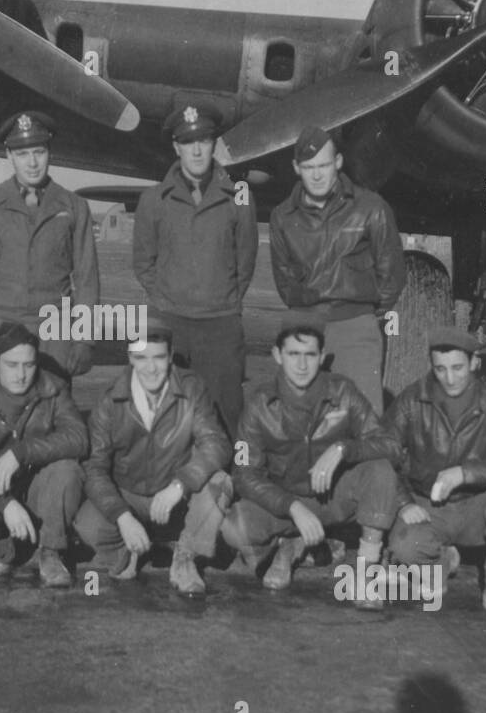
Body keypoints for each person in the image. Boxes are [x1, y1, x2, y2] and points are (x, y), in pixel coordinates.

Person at [222, 311, 402, 607]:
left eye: (310, 354)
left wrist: (344, 448)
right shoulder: (259, 403)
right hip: (285, 504)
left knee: (379, 468)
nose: (302, 364)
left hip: (335, 501)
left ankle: (366, 573)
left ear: (321, 357)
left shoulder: (343, 391)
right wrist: (290, 506)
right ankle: (289, 545)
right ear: (277, 355)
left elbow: (390, 445)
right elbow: (244, 473)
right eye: (293, 354)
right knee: (233, 526)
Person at [381, 328, 486, 618]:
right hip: (428, 506)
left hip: (478, 507)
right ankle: (441, 560)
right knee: (403, 549)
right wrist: (404, 503)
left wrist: (464, 473)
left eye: (458, 368)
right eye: (440, 369)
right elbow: (382, 456)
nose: (450, 378)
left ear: (475, 362)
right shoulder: (412, 401)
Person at [75, 322, 232, 596]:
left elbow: (216, 444)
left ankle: (185, 556)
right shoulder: (111, 401)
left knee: (221, 484)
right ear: (130, 359)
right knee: (88, 525)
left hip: (175, 497)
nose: (151, 368)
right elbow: (94, 468)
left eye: (158, 358)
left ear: (170, 357)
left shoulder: (192, 389)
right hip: (130, 495)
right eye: (142, 358)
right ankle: (130, 548)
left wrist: (180, 485)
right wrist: (122, 517)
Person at [132, 101, 257, 433]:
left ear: (214, 143)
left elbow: (245, 260)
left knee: (226, 411)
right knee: (164, 411)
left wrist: (222, 299)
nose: (197, 151)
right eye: (188, 142)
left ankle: (227, 482)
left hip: (220, 324)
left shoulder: (239, 196)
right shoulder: (153, 200)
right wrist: (169, 299)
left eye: (204, 140)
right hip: (170, 320)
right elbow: (143, 263)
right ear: (177, 147)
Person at [269, 125, 406, 413]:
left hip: (355, 329)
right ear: (296, 168)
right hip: (305, 327)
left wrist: (364, 316)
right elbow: (284, 281)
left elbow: (392, 274)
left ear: (339, 163)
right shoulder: (282, 217)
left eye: (324, 165)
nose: (317, 175)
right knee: (301, 422)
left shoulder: (371, 208)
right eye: (308, 167)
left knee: (364, 421)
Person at [0, 111, 100, 379]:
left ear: (49, 152)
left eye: (39, 152)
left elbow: (87, 277)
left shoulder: (74, 206)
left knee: (53, 407)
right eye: (22, 154)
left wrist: (84, 338)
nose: (32, 163)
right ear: (9, 156)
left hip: (53, 329)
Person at [0, 321, 89, 587]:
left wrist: (21, 452)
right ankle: (6, 551)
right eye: (12, 365)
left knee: (67, 470)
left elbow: (79, 438)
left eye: (28, 365)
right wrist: (5, 504)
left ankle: (50, 550)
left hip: (39, 489)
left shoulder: (54, 390)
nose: (21, 374)